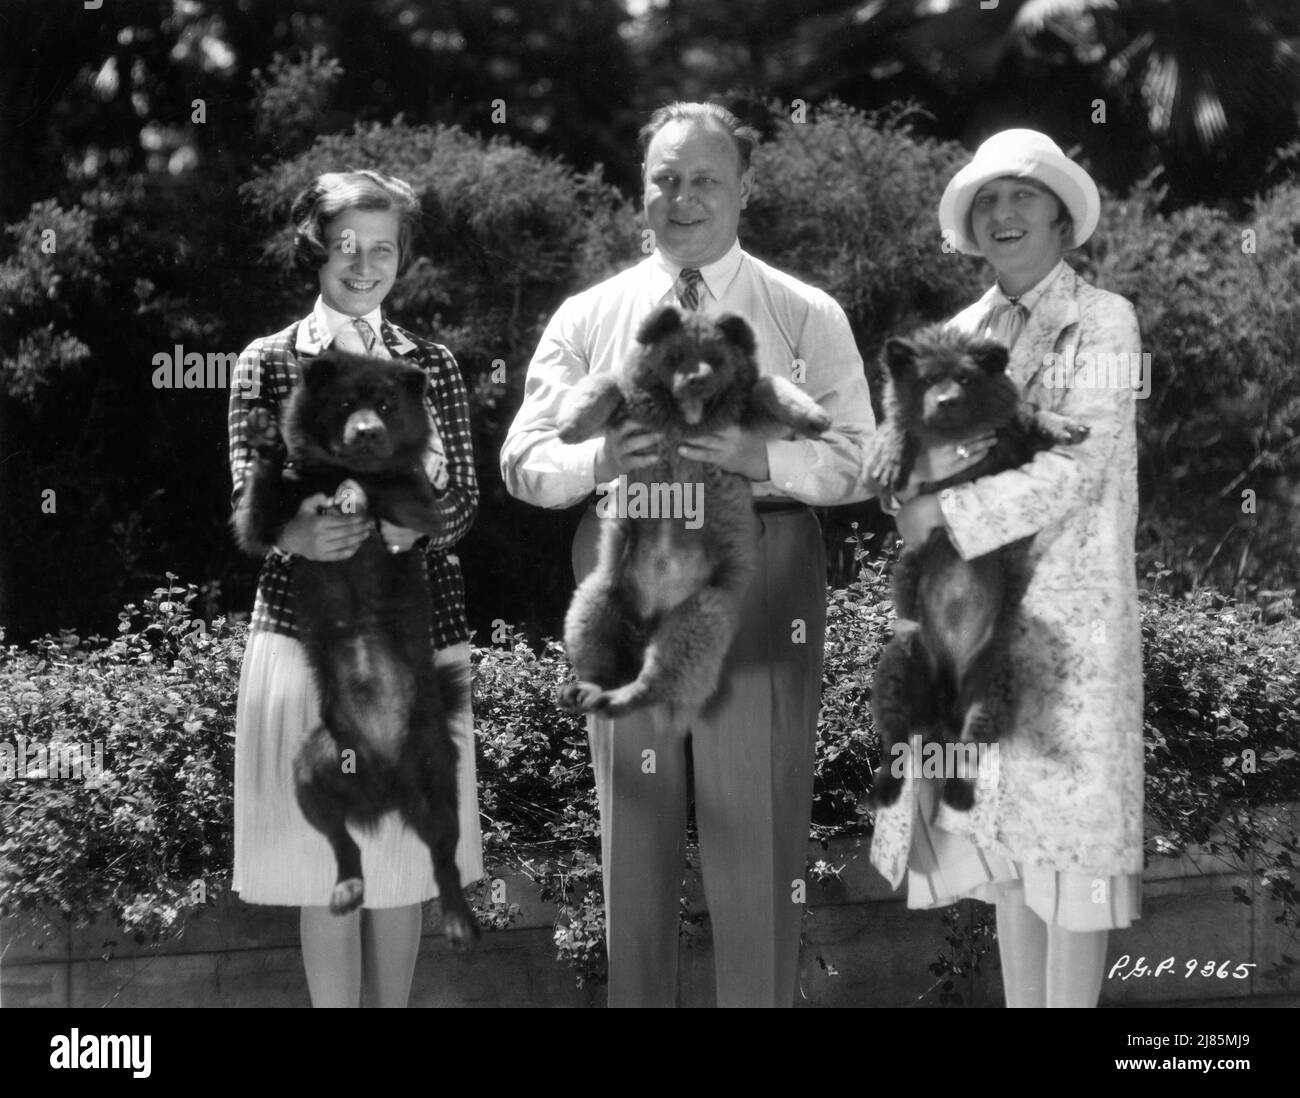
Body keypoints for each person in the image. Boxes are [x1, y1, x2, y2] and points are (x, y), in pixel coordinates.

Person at [501, 101, 876, 1007]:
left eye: (705, 178)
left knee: (761, 826)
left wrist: (764, 458)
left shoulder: (802, 312)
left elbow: (863, 456)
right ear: (642, 191)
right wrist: (597, 458)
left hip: (765, 569)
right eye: (665, 178)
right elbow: (522, 459)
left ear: (745, 188)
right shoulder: (589, 316)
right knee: (635, 828)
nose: (683, 196)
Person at [869, 129, 1144, 1008]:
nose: (1003, 211)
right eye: (988, 199)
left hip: (1070, 630)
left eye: (1024, 195)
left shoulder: (1106, 320)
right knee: (1009, 860)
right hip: (973, 631)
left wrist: (943, 505)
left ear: (1064, 219)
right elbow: (896, 469)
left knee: (1075, 865)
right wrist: (907, 486)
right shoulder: (952, 335)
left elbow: (1081, 466)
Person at [227, 169, 484, 1007]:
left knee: (403, 868)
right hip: (308, 642)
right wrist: (295, 532)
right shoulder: (269, 362)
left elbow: (466, 500)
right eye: (347, 247)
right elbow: (246, 500)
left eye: (384, 248)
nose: (364, 264)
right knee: (323, 869)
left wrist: (423, 524)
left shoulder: (429, 365)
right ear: (316, 251)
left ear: (403, 258)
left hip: (416, 634)